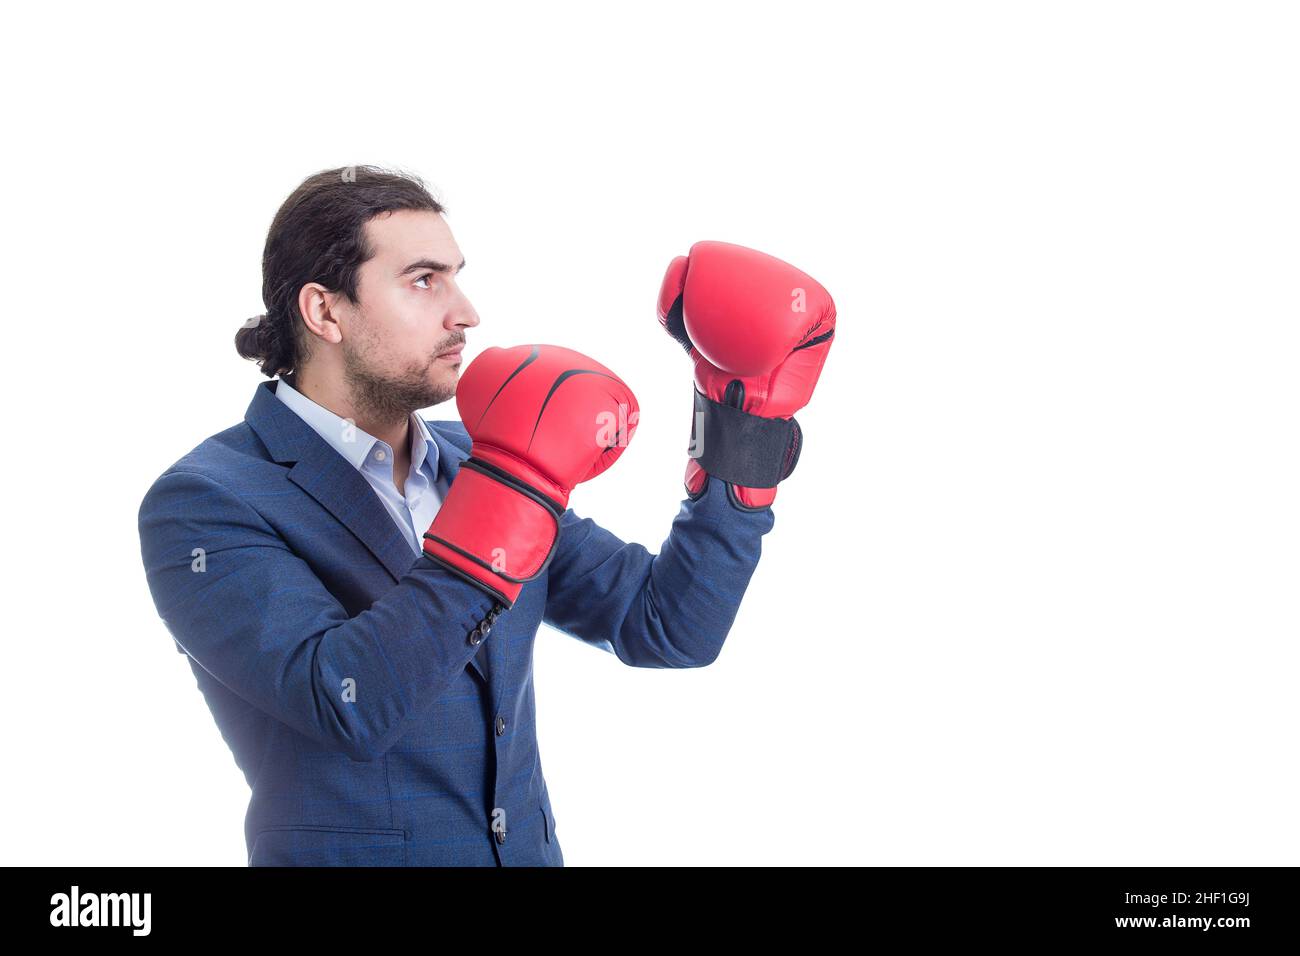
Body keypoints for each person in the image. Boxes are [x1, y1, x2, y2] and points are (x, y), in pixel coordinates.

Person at [137, 165, 835, 866]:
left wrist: (740, 430)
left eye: (456, 276)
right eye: (423, 279)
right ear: (326, 312)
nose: (465, 311)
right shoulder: (207, 503)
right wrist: (515, 486)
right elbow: (347, 702)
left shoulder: (476, 457)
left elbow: (667, 626)